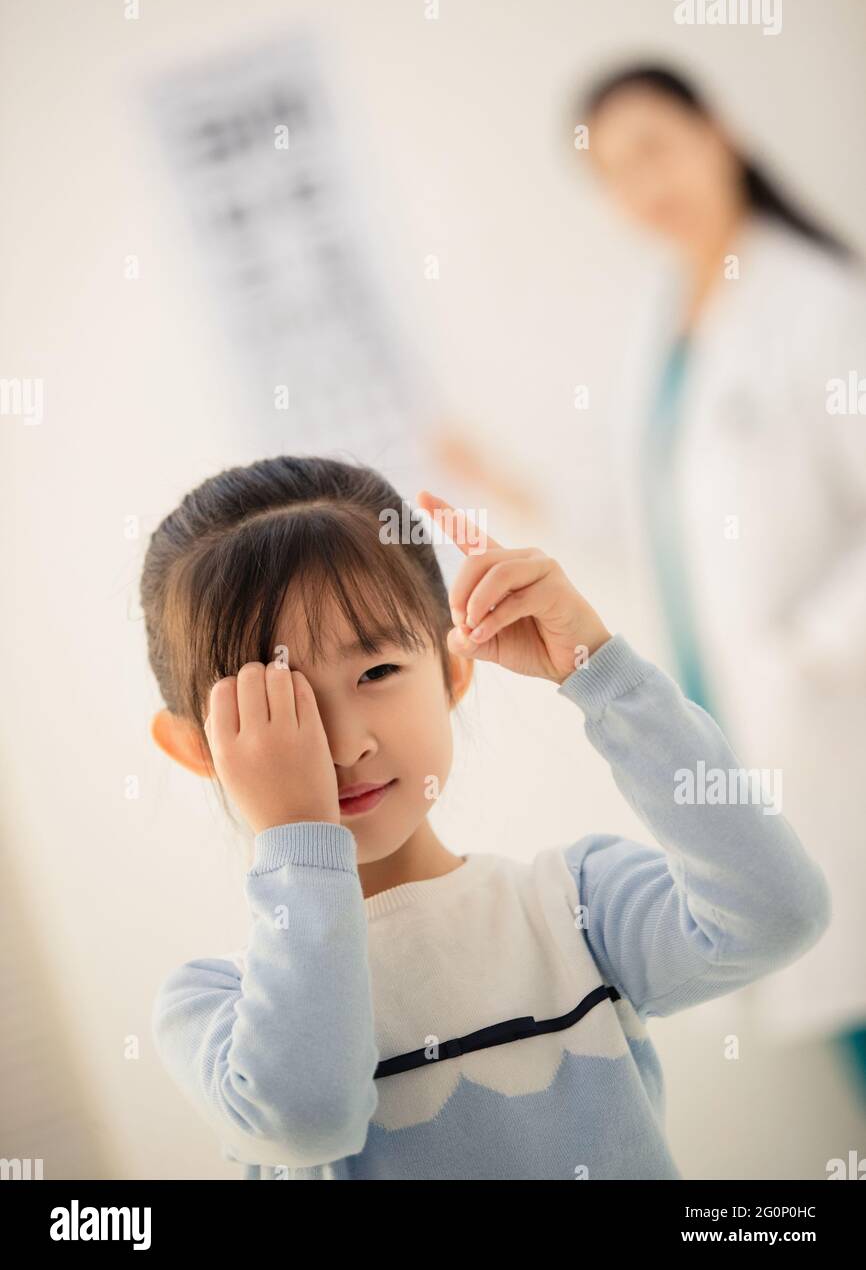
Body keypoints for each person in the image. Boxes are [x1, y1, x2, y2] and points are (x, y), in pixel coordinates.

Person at [143, 454, 828, 1178]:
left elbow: (775, 914)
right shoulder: (219, 1007)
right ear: (197, 747)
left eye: (376, 673)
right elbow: (308, 1118)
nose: (346, 744)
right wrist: (298, 843)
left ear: (453, 669)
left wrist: (601, 672)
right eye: (279, 708)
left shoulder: (574, 905)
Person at [579, 63, 866, 1091]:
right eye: (613, 171)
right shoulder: (664, 311)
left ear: (719, 130)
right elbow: (653, 515)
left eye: (653, 146)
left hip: (825, 717)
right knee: (820, 977)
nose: (642, 184)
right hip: (731, 731)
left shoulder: (816, 303)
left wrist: (811, 653)